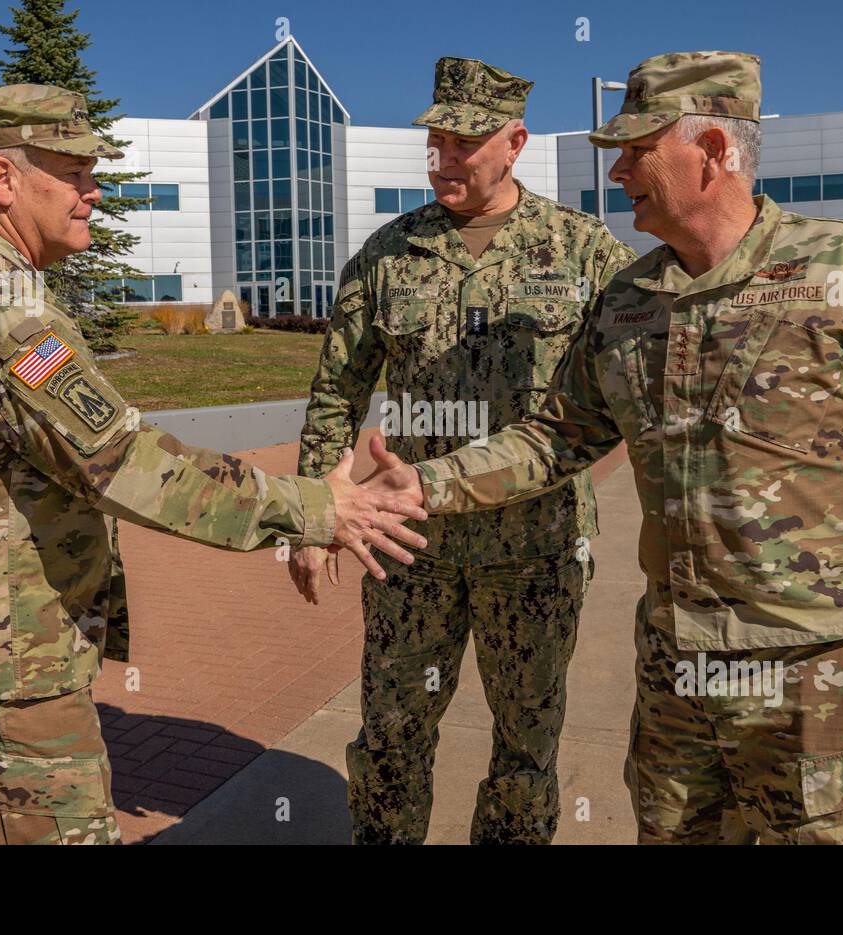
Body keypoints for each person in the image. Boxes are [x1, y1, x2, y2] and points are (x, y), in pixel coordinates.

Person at [361, 51, 843, 844]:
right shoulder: (627, 302)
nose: (618, 174)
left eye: (637, 151)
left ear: (712, 151)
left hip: (821, 680)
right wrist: (424, 484)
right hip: (680, 676)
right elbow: (553, 438)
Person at [0, 84, 425, 845]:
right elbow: (125, 462)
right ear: (4, 180)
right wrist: (317, 507)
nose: (91, 190)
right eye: (70, 170)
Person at [291, 57, 635, 843]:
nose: (443, 159)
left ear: (514, 142)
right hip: (411, 548)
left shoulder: (581, 251)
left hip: (537, 549)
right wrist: (313, 517)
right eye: (436, 142)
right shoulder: (388, 255)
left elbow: (639, 375)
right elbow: (337, 390)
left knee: (526, 747)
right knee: (390, 737)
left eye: (464, 143)